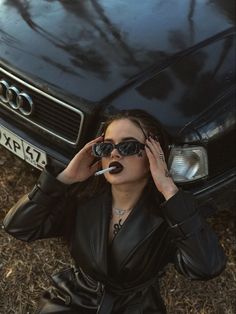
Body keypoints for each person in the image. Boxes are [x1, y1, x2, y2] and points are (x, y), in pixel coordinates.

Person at [3, 109, 226, 314]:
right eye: (106, 147)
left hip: (136, 308)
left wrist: (168, 187)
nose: (115, 154)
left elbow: (206, 266)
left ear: (153, 155)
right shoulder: (81, 199)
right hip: (72, 300)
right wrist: (64, 179)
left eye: (128, 146)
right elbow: (18, 226)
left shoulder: (171, 214)